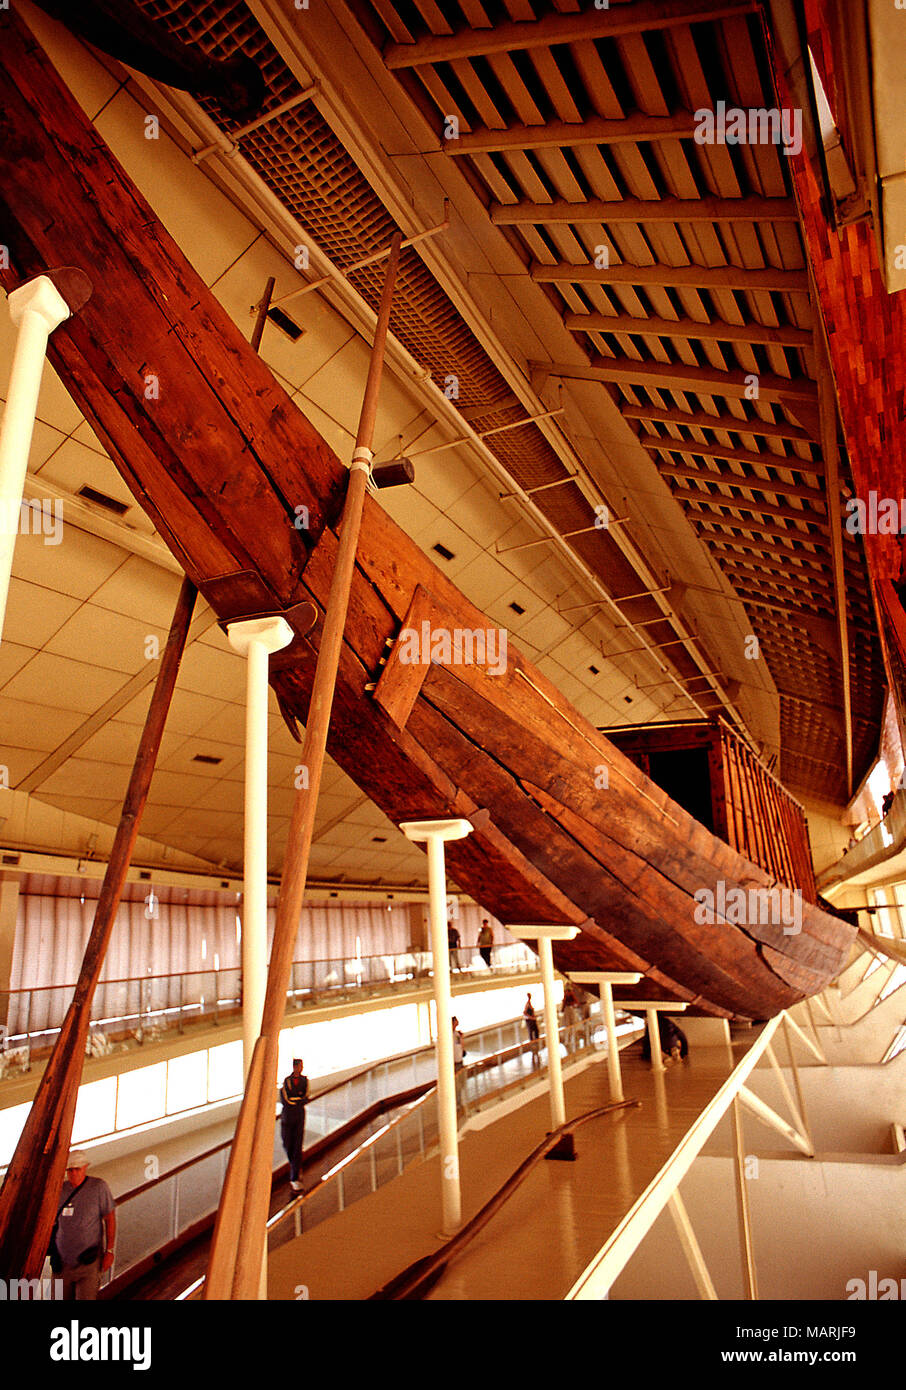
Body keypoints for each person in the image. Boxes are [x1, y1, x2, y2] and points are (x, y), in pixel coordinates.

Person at [50, 1150, 116, 1301]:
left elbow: (110, 1218)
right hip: (62, 1263)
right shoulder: (59, 1191)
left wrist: (109, 1251)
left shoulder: (99, 1187)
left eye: (77, 1169)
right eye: (70, 1170)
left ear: (85, 1167)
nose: (73, 1174)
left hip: (88, 1263)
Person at [280, 1057, 309, 1191]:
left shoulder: (305, 1081)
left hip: (299, 1115)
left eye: (301, 1066)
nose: (300, 1068)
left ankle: (294, 1176)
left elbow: (305, 1097)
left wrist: (296, 1100)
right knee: (287, 1143)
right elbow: (285, 1098)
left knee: (297, 1144)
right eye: (298, 1066)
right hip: (287, 1115)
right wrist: (297, 1100)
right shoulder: (287, 1081)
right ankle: (295, 1167)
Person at [452, 1015, 467, 1112]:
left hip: (459, 1060)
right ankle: (455, 1104)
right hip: (454, 1062)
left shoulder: (456, 1034)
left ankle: (459, 1102)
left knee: (460, 1083)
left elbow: (460, 1046)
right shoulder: (449, 1035)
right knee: (455, 1084)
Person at [523, 992, 540, 1064]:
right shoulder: (527, 1004)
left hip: (532, 1020)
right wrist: (531, 1018)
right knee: (532, 1032)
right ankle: (533, 1046)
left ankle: (536, 1045)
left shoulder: (529, 1003)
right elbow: (525, 1013)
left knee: (536, 1032)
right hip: (530, 1021)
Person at [561, 983, 579, 1051]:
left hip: (570, 1009)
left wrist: (571, 1004)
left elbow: (575, 1002)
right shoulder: (566, 995)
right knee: (568, 1025)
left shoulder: (571, 994)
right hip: (567, 1009)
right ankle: (568, 1040)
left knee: (571, 1024)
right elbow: (564, 1003)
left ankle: (571, 1038)